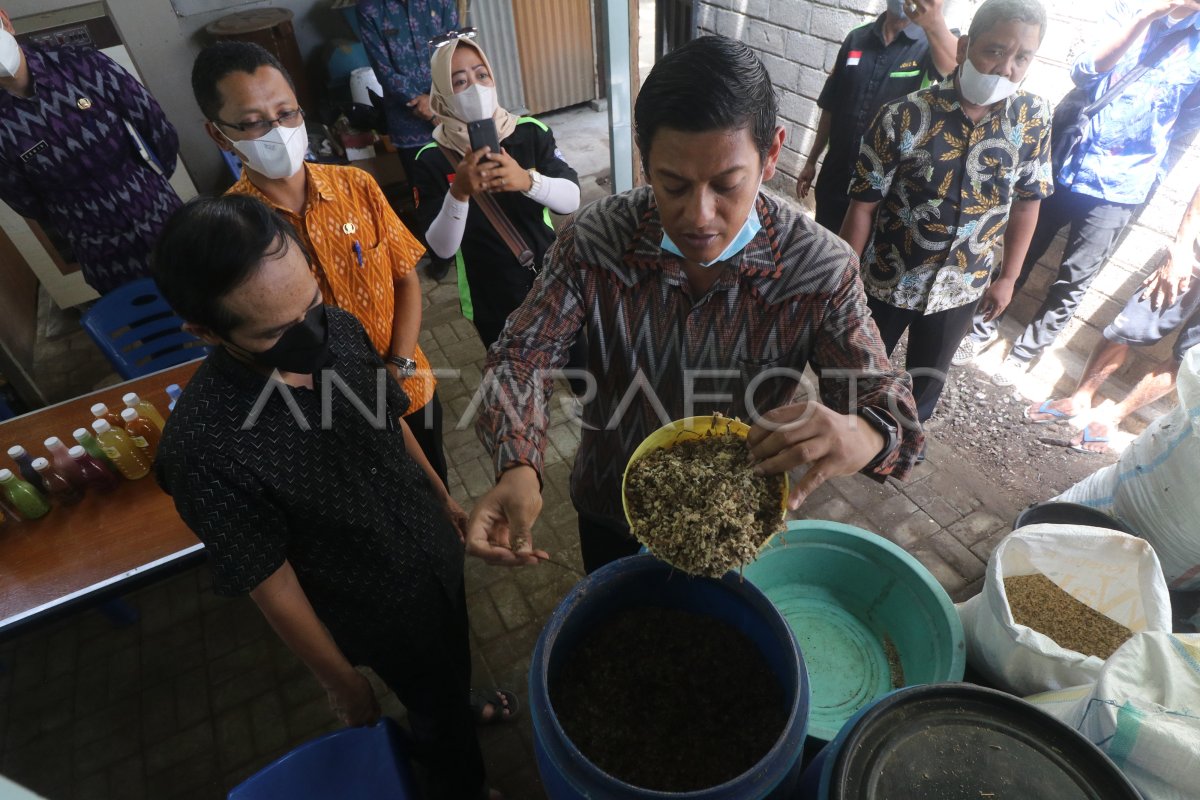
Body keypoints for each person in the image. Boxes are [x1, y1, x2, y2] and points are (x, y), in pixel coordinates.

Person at [463, 35, 924, 575]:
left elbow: (889, 407)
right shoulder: (595, 240)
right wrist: (518, 463)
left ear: (772, 153)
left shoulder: (819, 267)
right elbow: (521, 357)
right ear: (645, 160)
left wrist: (864, 433)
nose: (699, 216)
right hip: (612, 501)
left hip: (733, 521)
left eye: (727, 184)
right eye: (673, 185)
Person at [152, 195, 505, 800]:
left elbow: (389, 419)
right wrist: (339, 680)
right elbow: (272, 579)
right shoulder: (204, 448)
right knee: (424, 691)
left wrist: (440, 495)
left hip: (428, 543)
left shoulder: (339, 331)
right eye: (277, 331)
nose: (310, 333)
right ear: (205, 331)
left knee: (448, 658)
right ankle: (459, 780)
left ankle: (451, 706)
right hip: (373, 602)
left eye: (309, 303)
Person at [191, 41, 448, 487]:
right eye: (253, 123)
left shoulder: (357, 186)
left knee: (434, 484)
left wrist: (399, 366)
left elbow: (405, 279)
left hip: (407, 386)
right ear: (218, 134)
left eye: (287, 113)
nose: (278, 131)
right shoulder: (232, 233)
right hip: (324, 419)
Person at [955, 0, 1200, 386]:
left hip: (1122, 183)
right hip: (1064, 161)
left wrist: (1152, 175)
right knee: (1020, 252)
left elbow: (1187, 121)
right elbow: (1085, 71)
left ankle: (1025, 353)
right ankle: (980, 331)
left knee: (1073, 279)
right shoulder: (1127, 11)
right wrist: (1147, 17)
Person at [840, 0, 1052, 427]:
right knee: (860, 366)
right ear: (964, 47)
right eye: (995, 50)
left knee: (928, 376)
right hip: (889, 275)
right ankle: (844, 429)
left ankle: (903, 441)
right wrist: (842, 283)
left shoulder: (1033, 119)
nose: (1006, 68)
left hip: (963, 282)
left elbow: (1029, 201)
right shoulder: (904, 116)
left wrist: (1008, 277)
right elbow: (862, 206)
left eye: (1022, 57)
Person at [411, 34, 581, 349]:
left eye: (481, 74)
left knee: (581, 363)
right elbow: (441, 249)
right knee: (516, 381)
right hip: (489, 295)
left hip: (553, 278)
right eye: (459, 81)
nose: (475, 86)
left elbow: (571, 199)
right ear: (442, 94)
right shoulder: (432, 158)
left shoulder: (530, 131)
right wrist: (459, 193)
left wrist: (529, 181)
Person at [0, 8, 180, 295]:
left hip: (160, 213)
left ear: (4, 20)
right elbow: (24, 201)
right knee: (151, 319)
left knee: (208, 296)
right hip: (101, 250)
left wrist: (151, 186)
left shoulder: (80, 64)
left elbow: (154, 125)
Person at [1024, 180, 1200, 453]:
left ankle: (1112, 417)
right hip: (1194, 260)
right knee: (1126, 328)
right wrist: (1181, 247)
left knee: (1188, 359)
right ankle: (1079, 399)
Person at [798, 0, 958, 231]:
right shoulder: (856, 39)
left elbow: (955, 71)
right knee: (823, 245)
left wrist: (935, 23)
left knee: (860, 258)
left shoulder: (929, 44)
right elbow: (831, 106)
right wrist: (811, 161)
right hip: (836, 175)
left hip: (883, 191)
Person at [357, 0, 459, 280]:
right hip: (407, 122)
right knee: (425, 193)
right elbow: (383, 69)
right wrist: (423, 105)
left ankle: (471, 244)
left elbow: (455, 53)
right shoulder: (370, 9)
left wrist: (437, 102)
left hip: (451, 112)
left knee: (463, 180)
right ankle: (440, 255)